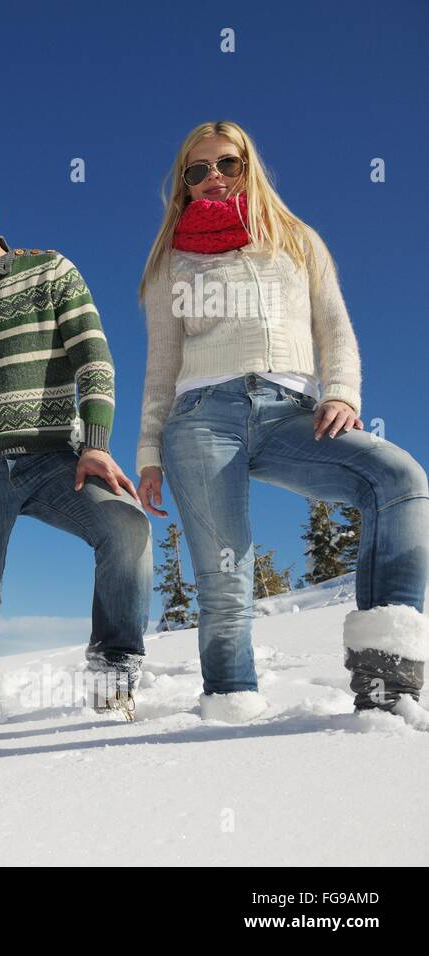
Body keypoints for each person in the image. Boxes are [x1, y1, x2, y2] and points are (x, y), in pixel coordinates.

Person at [136, 120, 429, 726]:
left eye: (227, 164)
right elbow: (160, 368)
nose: (213, 177)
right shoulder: (172, 263)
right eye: (197, 170)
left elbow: (335, 330)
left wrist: (343, 391)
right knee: (225, 574)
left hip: (290, 413)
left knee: (398, 479)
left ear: (250, 167)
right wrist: (147, 453)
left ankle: (386, 686)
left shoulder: (296, 241)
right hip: (198, 420)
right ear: (185, 185)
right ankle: (231, 711)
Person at [0, 172, 153, 726]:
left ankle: (112, 684)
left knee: (126, 528)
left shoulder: (51, 270)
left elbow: (94, 358)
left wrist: (96, 444)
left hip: (55, 458)